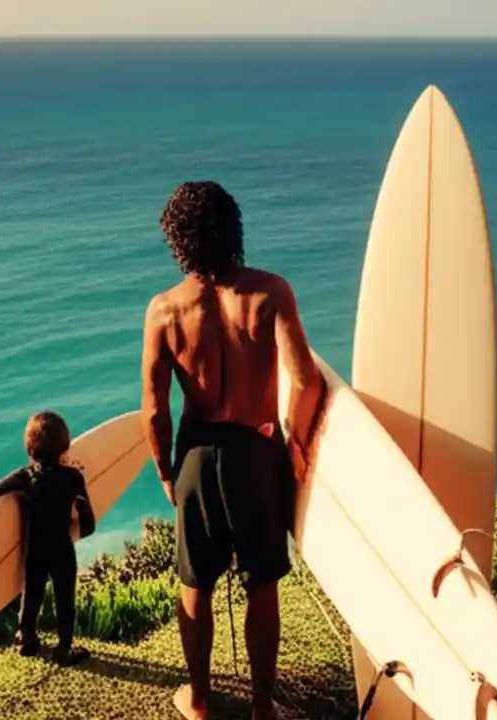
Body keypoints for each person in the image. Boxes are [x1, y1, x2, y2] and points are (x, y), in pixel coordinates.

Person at [140, 181, 326, 720]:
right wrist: (297, 442)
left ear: (179, 241)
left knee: (194, 583)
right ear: (233, 229)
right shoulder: (270, 293)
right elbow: (307, 380)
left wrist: (166, 471)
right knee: (261, 584)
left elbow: (154, 408)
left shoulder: (164, 310)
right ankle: (262, 708)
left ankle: (197, 700)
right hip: (256, 452)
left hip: (197, 455)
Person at [0, 410, 95, 665]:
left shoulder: (24, 477)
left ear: (29, 450)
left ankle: (26, 637)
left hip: (35, 548)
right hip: (62, 548)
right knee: (65, 599)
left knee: (32, 593)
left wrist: (14, 510)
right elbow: (89, 524)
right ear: (65, 446)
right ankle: (63, 648)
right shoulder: (73, 477)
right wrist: (80, 524)